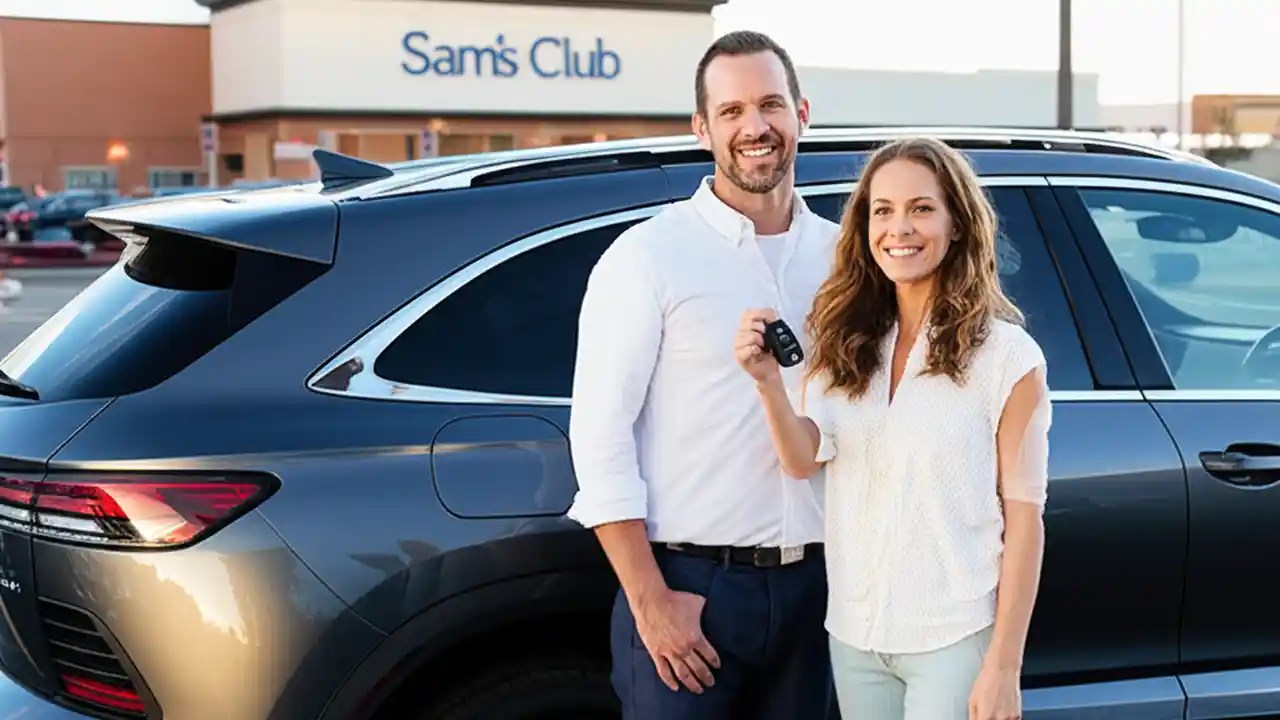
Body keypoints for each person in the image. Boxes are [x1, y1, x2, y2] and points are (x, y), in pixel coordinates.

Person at [566, 30, 839, 720]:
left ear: (802, 114)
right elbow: (599, 438)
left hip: (822, 591)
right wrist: (650, 601)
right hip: (691, 588)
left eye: (771, 105)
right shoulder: (648, 257)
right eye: (731, 111)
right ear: (701, 128)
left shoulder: (844, 259)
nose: (755, 127)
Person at [734, 136, 1052, 720]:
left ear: (957, 224)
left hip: (954, 636)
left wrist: (1005, 665)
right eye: (882, 211)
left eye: (921, 208)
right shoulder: (844, 341)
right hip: (855, 633)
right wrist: (768, 384)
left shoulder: (1008, 358)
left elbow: (1025, 521)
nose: (899, 228)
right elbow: (803, 459)